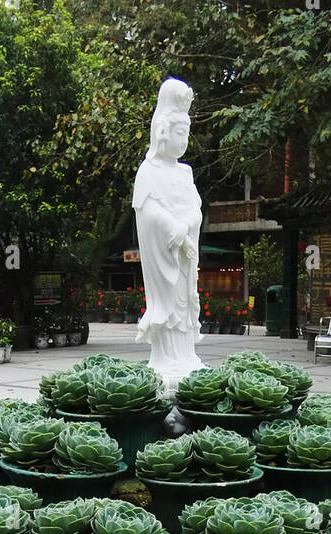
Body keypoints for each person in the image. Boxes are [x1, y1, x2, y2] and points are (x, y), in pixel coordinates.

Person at [132, 77, 204, 385]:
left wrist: (186, 225)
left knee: (185, 304)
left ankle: (186, 355)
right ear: (163, 132)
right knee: (169, 303)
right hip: (165, 253)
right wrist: (171, 226)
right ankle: (166, 357)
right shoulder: (148, 171)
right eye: (179, 132)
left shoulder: (185, 172)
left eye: (187, 132)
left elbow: (196, 207)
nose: (184, 139)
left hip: (185, 252)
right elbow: (147, 210)